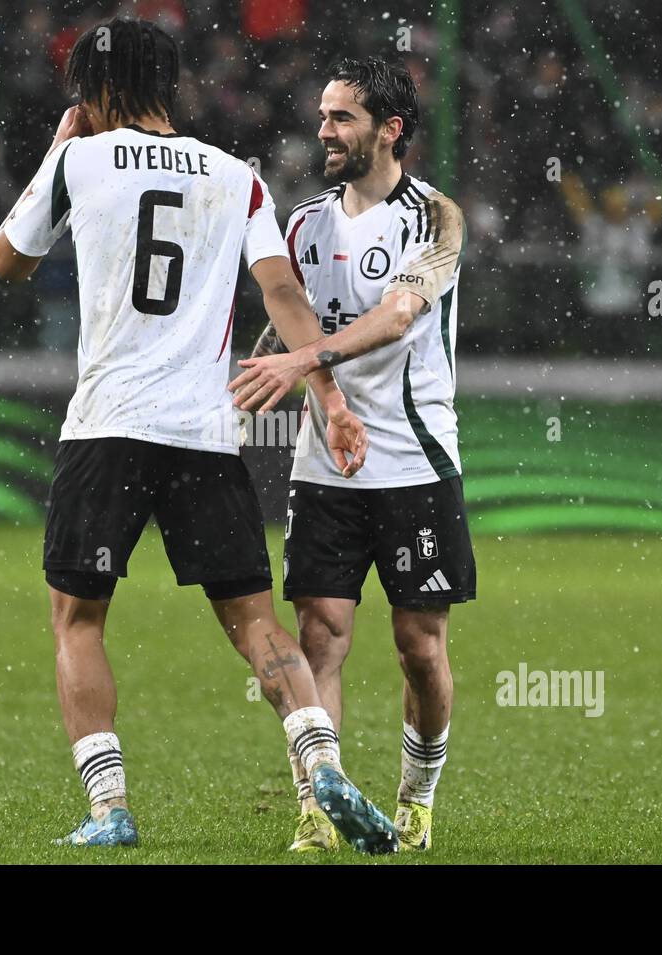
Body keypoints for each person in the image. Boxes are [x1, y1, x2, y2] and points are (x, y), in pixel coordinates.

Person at [0, 18, 397, 853]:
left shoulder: (79, 157)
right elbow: (284, 294)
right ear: (166, 83)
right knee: (255, 623)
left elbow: (9, 260)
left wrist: (56, 150)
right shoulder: (235, 177)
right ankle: (321, 762)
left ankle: (110, 808)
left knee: (78, 620)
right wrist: (327, 390)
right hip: (206, 433)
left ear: (98, 92)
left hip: (107, 426)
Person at [230, 57, 475, 852]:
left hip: (415, 458)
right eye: (323, 116)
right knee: (322, 633)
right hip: (325, 464)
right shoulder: (303, 224)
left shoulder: (438, 218)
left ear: (390, 129)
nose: (324, 131)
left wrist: (305, 364)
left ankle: (419, 791)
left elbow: (401, 314)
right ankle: (319, 803)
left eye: (342, 118)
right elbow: (287, 333)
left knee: (420, 646)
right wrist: (282, 391)